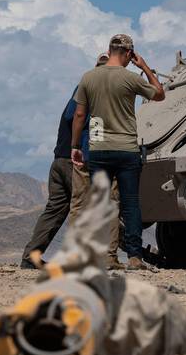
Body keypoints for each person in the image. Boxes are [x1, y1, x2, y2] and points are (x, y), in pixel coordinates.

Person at [70, 34, 165, 271]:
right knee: (131, 204)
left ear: (109, 50)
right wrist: (143, 66)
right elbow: (159, 93)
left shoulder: (89, 77)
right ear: (128, 54)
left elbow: (80, 115)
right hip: (126, 149)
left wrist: (75, 146)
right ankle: (134, 257)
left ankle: (102, 256)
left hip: (99, 149)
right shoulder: (131, 77)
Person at [21, 55, 123, 270]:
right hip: (75, 160)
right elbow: (78, 117)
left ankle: (30, 257)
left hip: (59, 160)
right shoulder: (90, 92)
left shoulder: (79, 90)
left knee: (55, 211)